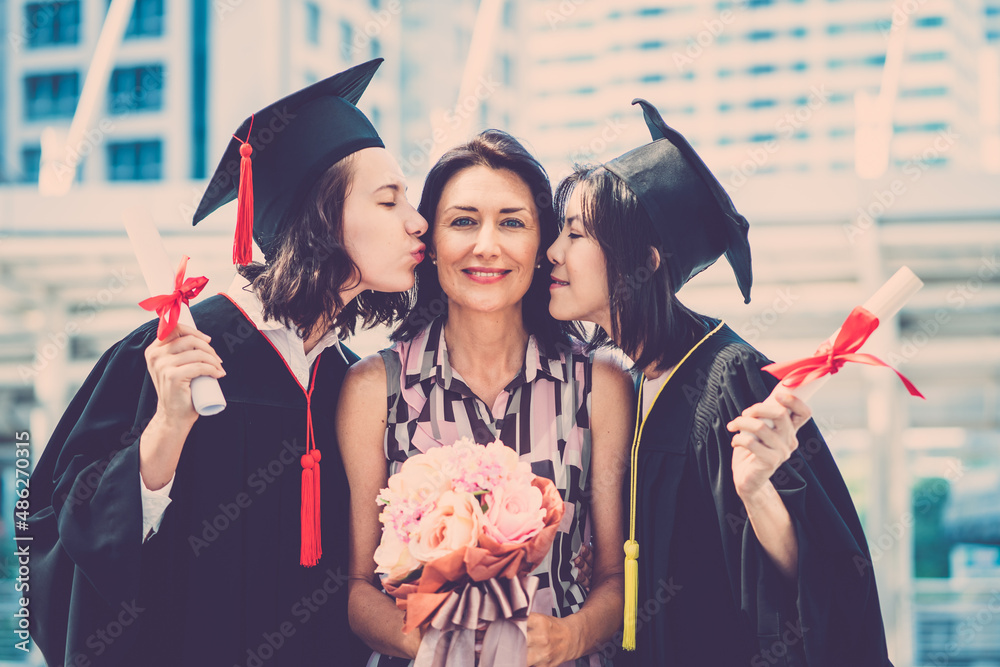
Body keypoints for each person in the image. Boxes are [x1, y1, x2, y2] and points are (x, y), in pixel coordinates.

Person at [27, 59, 427, 666]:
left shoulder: (353, 379)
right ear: (318, 215)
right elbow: (63, 538)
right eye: (388, 199)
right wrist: (166, 429)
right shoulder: (171, 353)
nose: (417, 221)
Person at [544, 99, 893, 666]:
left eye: (576, 234)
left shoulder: (730, 379)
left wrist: (757, 490)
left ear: (647, 260)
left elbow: (812, 574)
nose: (553, 252)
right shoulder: (626, 381)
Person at [337, 129, 633, 667]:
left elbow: (615, 577)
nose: (487, 245)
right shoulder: (370, 389)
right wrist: (430, 646)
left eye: (513, 222)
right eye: (464, 221)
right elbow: (359, 589)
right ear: (430, 246)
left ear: (542, 246)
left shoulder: (601, 383)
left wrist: (569, 637)